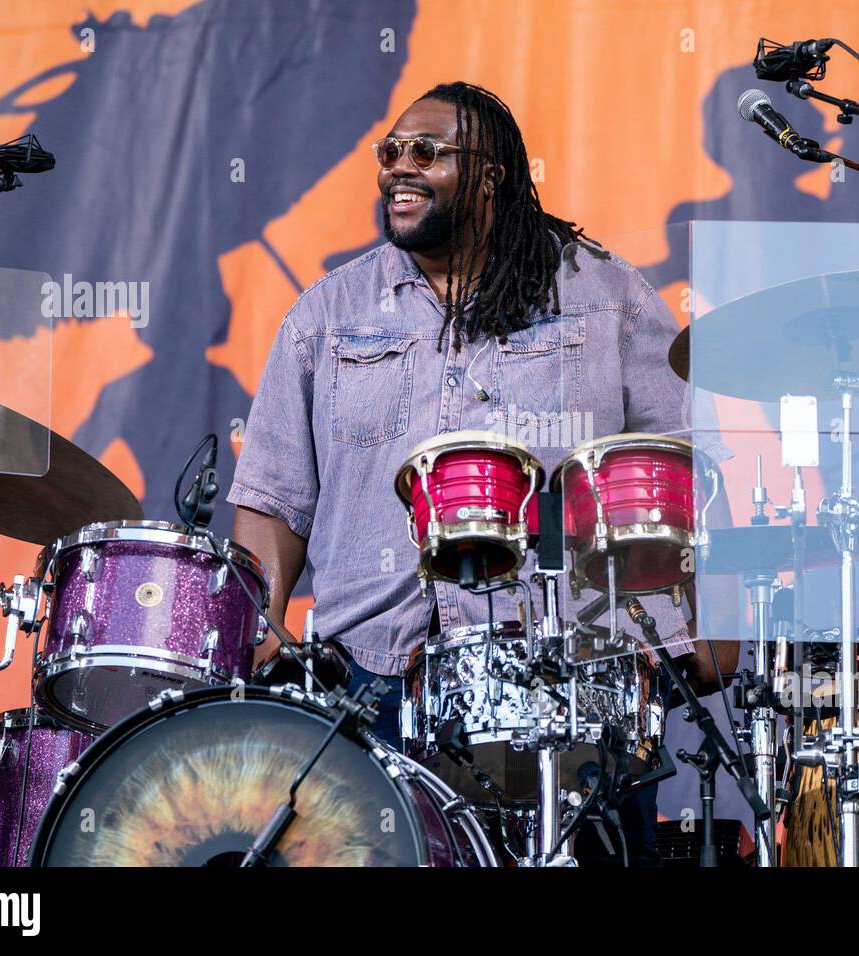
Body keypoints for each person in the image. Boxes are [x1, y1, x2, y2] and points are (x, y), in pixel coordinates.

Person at [228, 81, 734, 864]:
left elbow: (685, 470)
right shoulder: (327, 315)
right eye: (390, 152)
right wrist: (263, 631)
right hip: (367, 681)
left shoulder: (606, 299)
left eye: (425, 152)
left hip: (572, 676)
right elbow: (273, 498)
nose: (398, 168)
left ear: (491, 175)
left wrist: (703, 630)